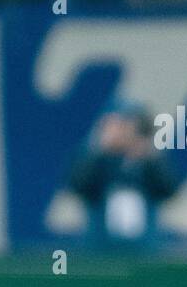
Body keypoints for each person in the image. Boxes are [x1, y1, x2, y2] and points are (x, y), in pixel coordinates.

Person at [67, 102, 178, 249]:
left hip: (143, 247)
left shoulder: (148, 163)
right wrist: (102, 149)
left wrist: (148, 153)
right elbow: (78, 185)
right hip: (101, 245)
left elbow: (168, 189)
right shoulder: (99, 161)